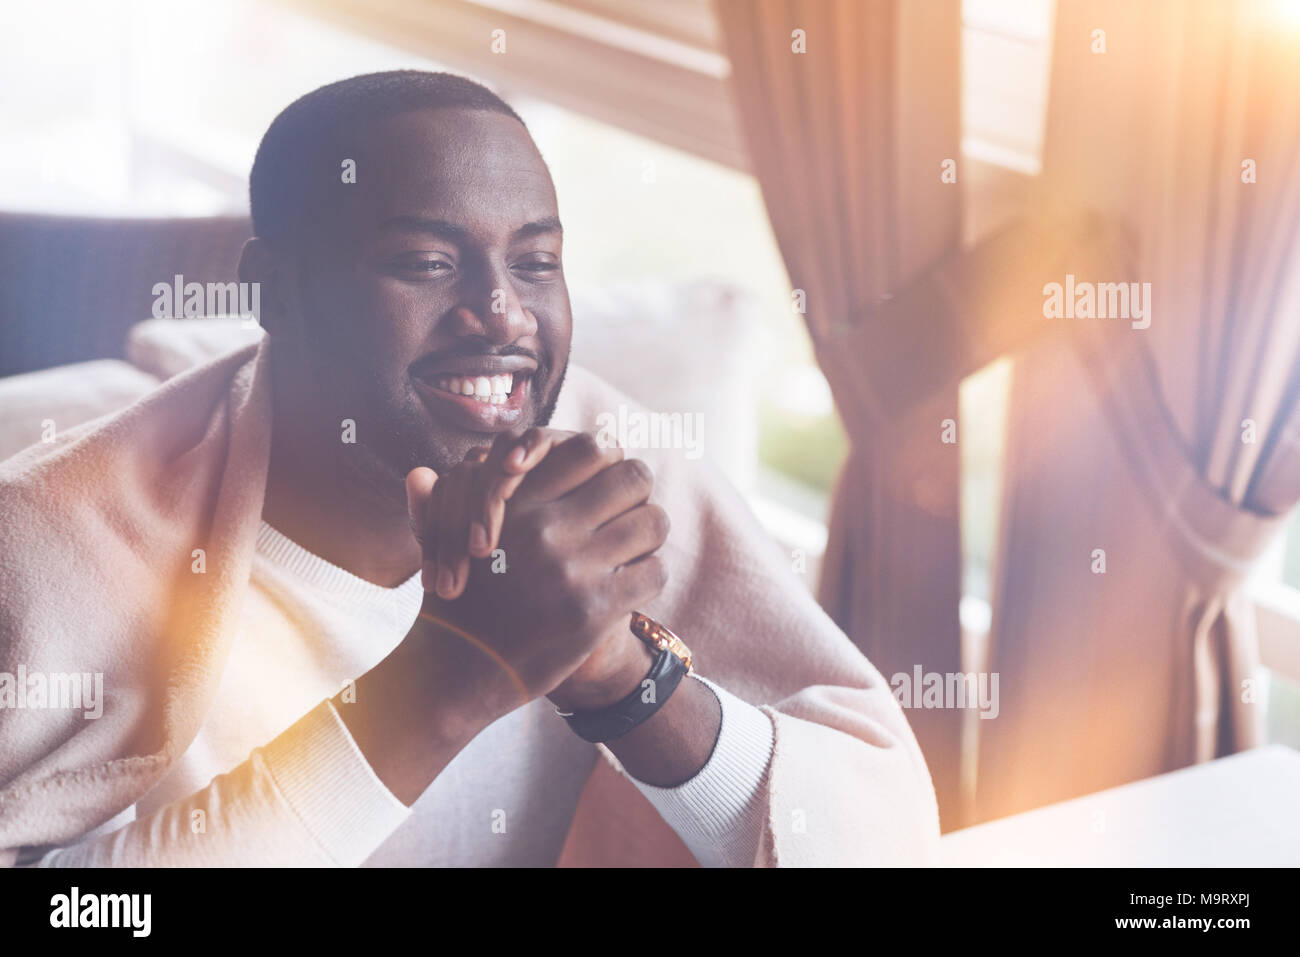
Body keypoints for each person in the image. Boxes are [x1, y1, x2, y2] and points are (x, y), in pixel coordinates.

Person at [0, 71, 939, 867]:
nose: (501, 313)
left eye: (537, 261)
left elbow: (876, 835)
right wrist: (447, 680)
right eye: (425, 262)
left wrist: (617, 673)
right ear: (276, 292)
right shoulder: (56, 540)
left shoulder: (614, 457)